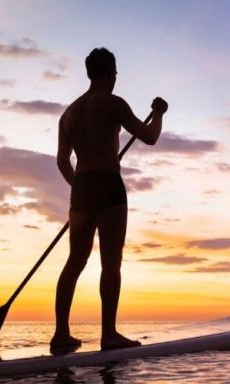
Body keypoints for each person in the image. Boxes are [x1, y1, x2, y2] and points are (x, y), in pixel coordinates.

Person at [52, 47, 168, 351]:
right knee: (110, 263)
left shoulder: (69, 114)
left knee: (74, 262)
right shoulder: (113, 103)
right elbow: (150, 136)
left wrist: (80, 188)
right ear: (110, 73)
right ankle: (109, 334)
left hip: (83, 187)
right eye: (115, 74)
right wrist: (158, 114)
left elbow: (63, 162)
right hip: (108, 184)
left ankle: (61, 334)